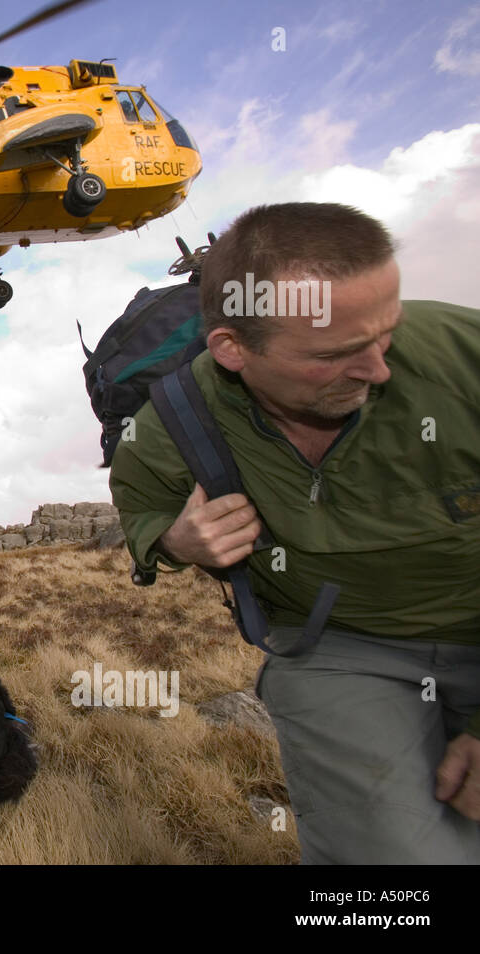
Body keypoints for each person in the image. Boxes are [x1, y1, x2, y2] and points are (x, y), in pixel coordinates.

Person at [108, 202, 480, 864]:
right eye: (338, 354)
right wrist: (176, 542)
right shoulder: (172, 421)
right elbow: (139, 506)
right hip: (344, 649)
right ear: (232, 350)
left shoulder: (463, 354)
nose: (379, 369)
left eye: (385, 332)